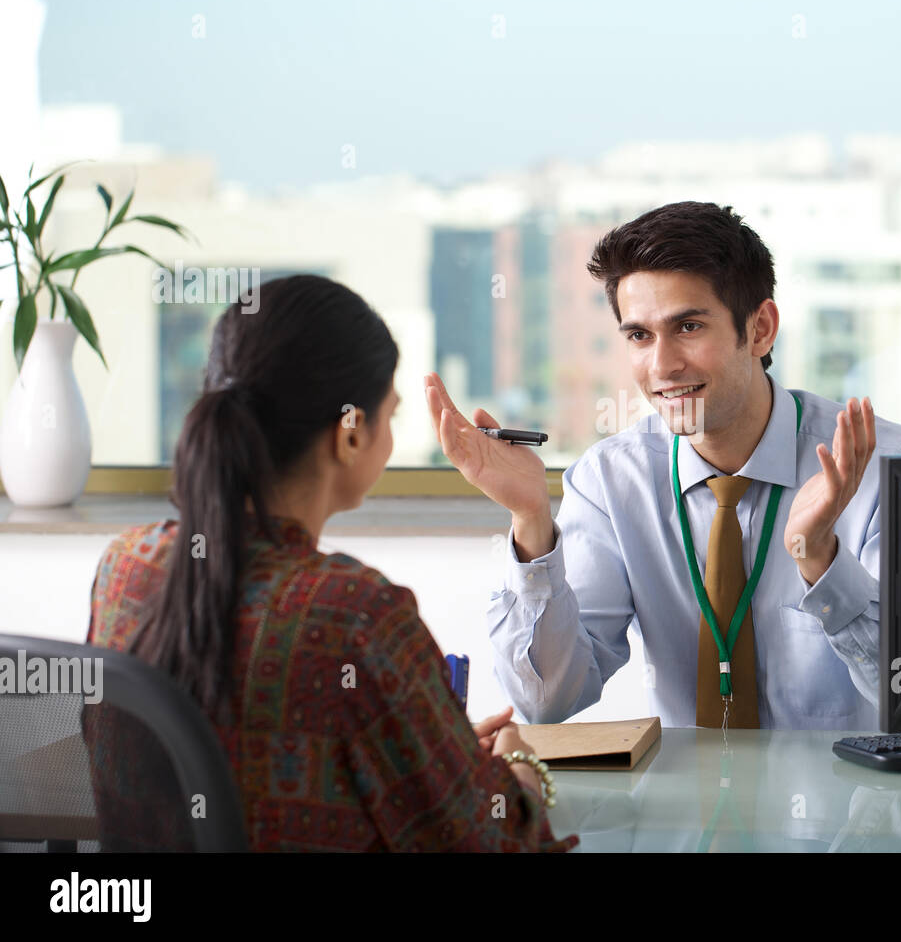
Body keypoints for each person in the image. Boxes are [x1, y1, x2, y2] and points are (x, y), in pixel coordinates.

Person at [86, 274, 576, 852]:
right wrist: (520, 770)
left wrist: (433, 744)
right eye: (389, 416)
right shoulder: (357, 616)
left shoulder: (126, 566)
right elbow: (494, 845)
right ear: (349, 435)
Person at [427, 201, 901, 732]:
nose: (662, 366)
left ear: (760, 329)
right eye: (639, 336)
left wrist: (824, 561)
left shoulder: (887, 470)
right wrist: (530, 520)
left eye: (688, 327)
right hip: (683, 812)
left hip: (849, 808)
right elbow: (548, 701)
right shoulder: (609, 482)